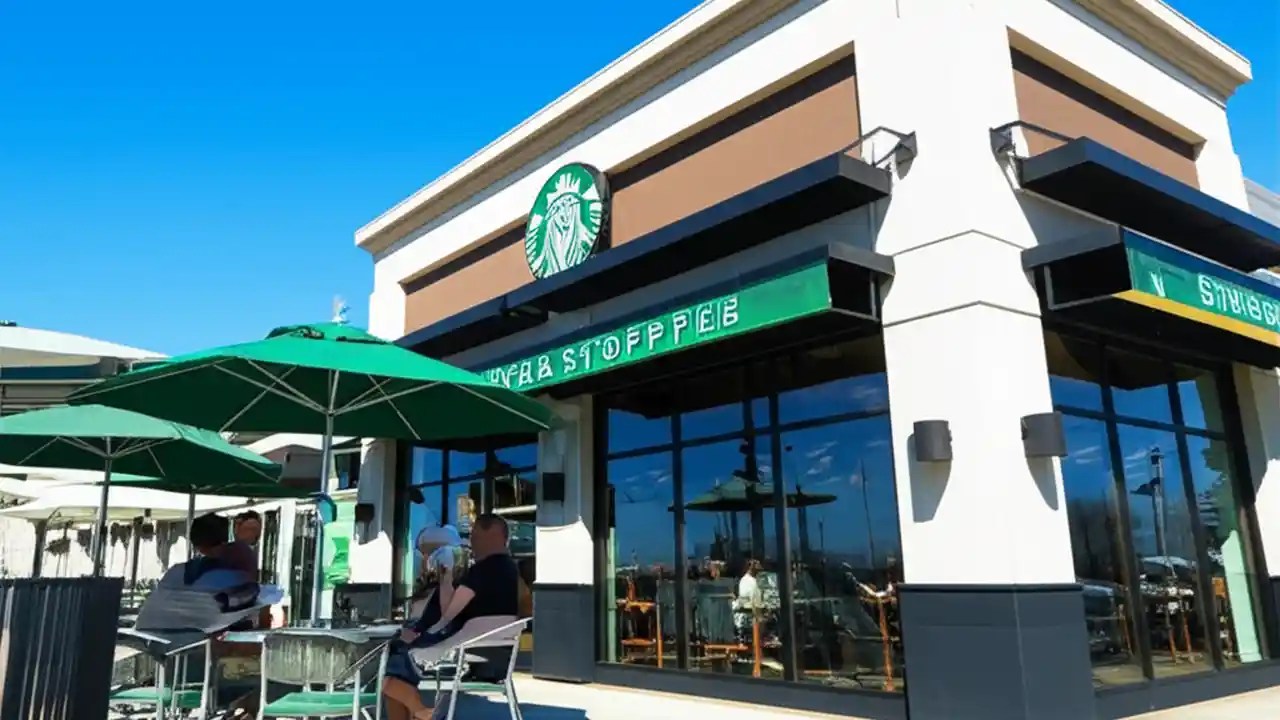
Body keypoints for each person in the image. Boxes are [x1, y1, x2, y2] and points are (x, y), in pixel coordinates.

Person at [381, 515, 520, 720]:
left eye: (475, 535)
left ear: (491, 535)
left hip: (467, 657)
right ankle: (419, 710)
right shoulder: (509, 569)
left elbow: (448, 614)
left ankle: (421, 711)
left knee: (389, 665)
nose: (472, 541)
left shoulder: (480, 571)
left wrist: (446, 580)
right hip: (495, 659)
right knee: (400, 661)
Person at [733, 559, 763, 644]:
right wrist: (759, 617)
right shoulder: (751, 582)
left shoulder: (743, 580)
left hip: (743, 617)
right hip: (748, 617)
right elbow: (755, 601)